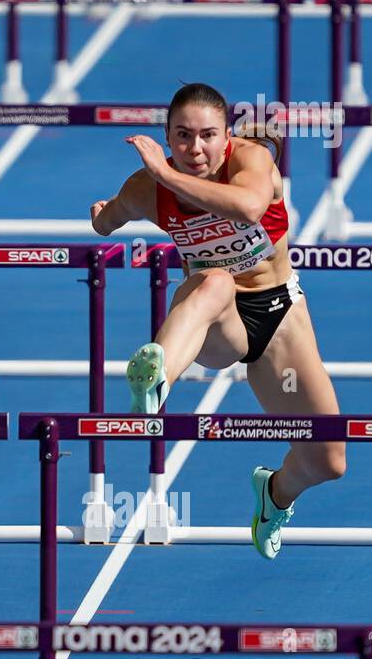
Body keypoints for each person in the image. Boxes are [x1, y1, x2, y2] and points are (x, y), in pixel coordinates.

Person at [90, 82, 344, 559]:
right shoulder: (148, 190)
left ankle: (275, 495)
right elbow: (109, 220)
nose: (195, 148)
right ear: (167, 136)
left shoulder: (251, 163)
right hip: (214, 319)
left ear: (227, 136)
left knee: (328, 460)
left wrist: (165, 173)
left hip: (279, 313)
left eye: (207, 135)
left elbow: (247, 206)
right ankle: (155, 382)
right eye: (182, 136)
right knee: (215, 281)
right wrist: (104, 215)